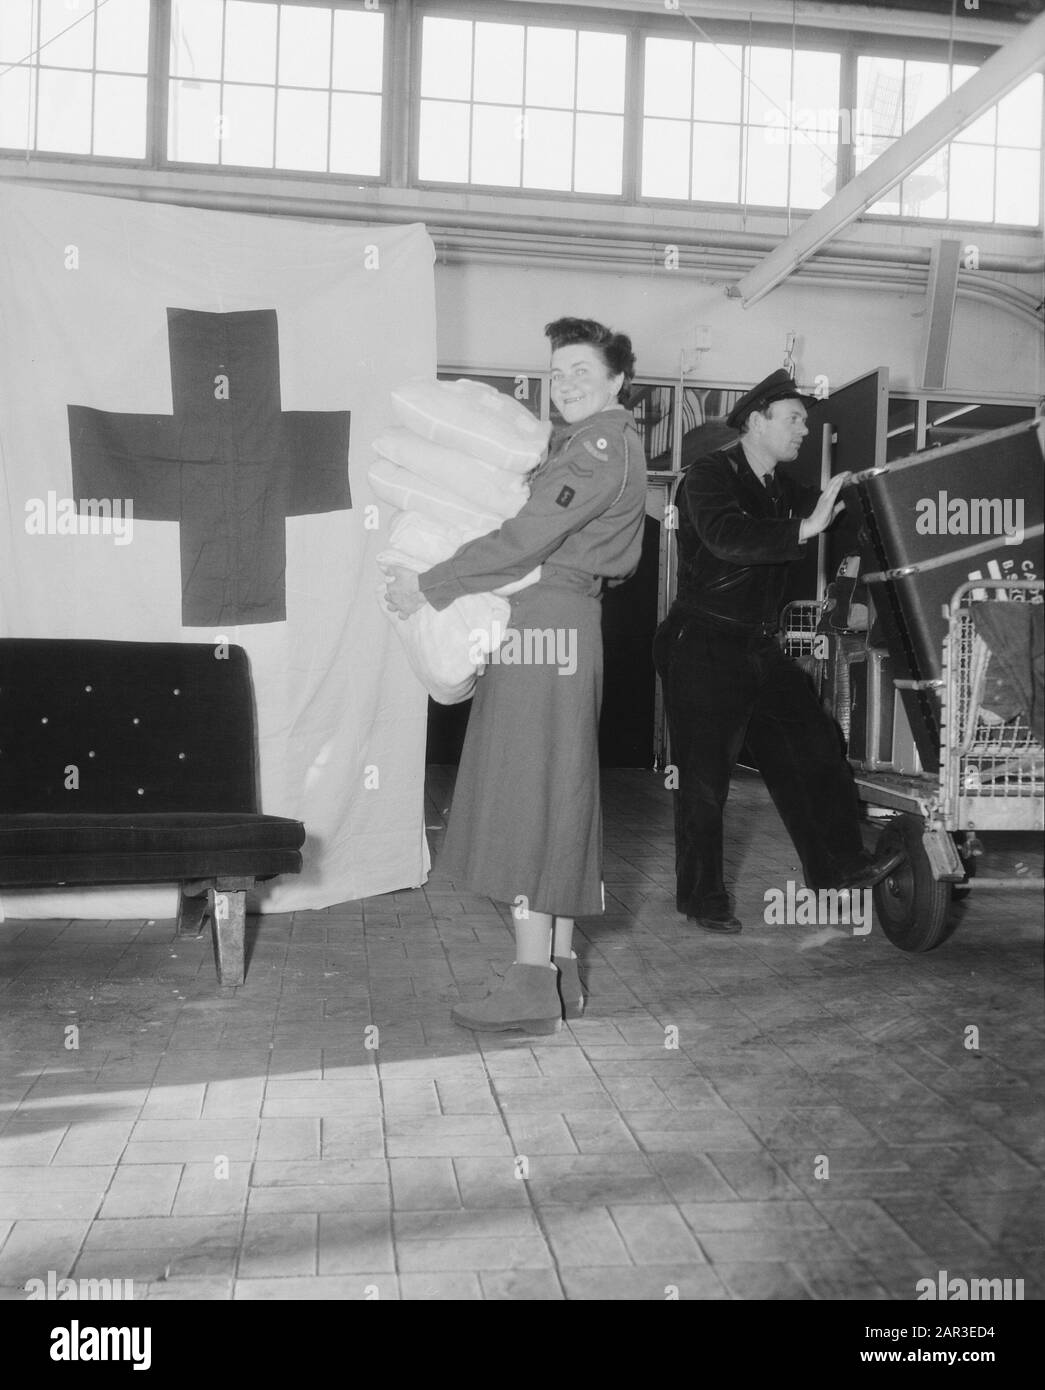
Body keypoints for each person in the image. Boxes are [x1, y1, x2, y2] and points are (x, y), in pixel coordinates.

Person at [383, 318, 648, 1033]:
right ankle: (559, 971)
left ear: (617, 381)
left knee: (527, 792)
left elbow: (526, 537)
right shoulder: (594, 445)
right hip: (561, 618)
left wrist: (430, 585)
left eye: (581, 372)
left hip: (544, 619)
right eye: (557, 374)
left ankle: (532, 983)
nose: (565, 385)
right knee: (557, 790)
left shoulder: (596, 447)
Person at [653, 368, 904, 934]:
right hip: (703, 642)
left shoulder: (781, 487)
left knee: (815, 741)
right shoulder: (707, 476)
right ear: (755, 421)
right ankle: (702, 898)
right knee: (704, 781)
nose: (803, 430)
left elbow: (836, 516)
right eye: (793, 419)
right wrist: (803, 529)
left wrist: (872, 495)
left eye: (804, 422)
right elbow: (727, 537)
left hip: (756, 645)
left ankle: (838, 866)